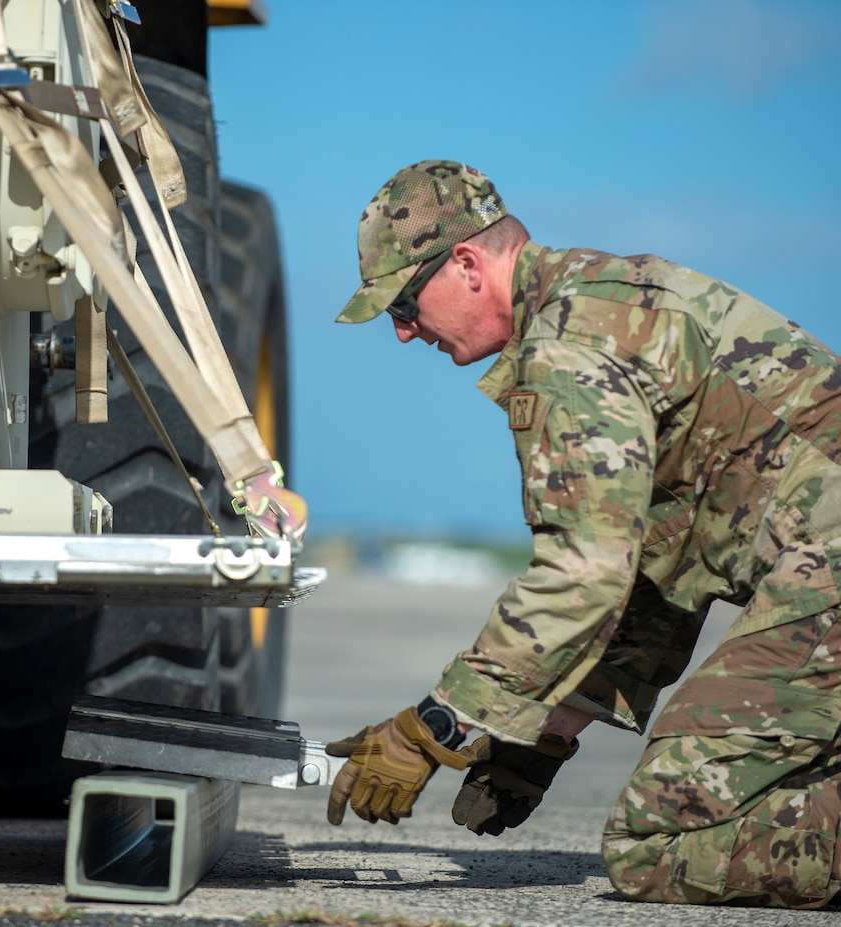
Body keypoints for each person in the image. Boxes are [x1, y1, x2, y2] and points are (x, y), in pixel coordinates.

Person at [329, 159, 841, 909]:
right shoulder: (601, 299)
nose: (404, 331)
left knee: (656, 844)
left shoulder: (570, 345)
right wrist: (543, 735)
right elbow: (653, 574)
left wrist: (433, 726)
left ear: (467, 264)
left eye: (405, 301)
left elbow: (583, 571)